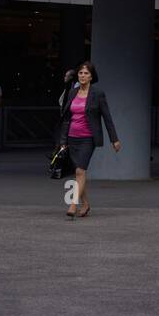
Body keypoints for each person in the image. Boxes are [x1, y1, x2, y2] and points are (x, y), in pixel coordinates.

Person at [58, 61, 121, 218]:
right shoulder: (72, 93)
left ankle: (73, 204)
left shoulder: (97, 94)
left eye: (86, 73)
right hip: (72, 137)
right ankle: (85, 204)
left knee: (80, 170)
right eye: (80, 73)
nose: (82, 76)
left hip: (88, 138)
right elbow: (66, 118)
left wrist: (115, 139)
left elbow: (107, 117)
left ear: (91, 77)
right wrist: (62, 141)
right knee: (78, 173)